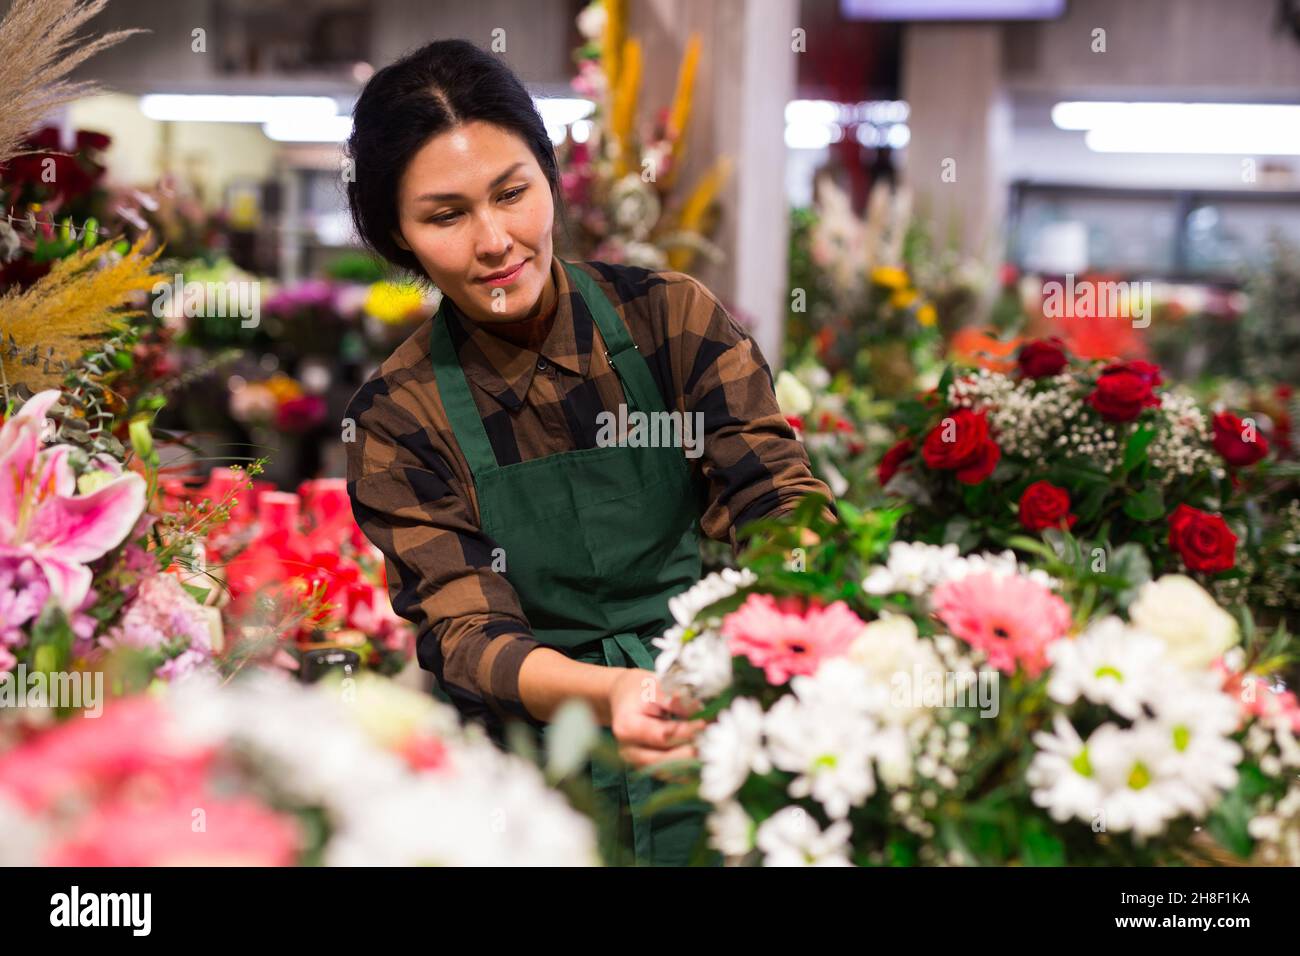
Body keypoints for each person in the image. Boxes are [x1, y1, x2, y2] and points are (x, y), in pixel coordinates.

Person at [343, 38, 836, 866]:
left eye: (512, 193)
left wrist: (793, 615)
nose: (496, 241)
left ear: (549, 175)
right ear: (398, 234)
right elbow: (466, 635)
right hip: (534, 780)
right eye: (446, 216)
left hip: (714, 729)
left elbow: (774, 494)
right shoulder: (400, 415)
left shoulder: (667, 321)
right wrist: (608, 691)